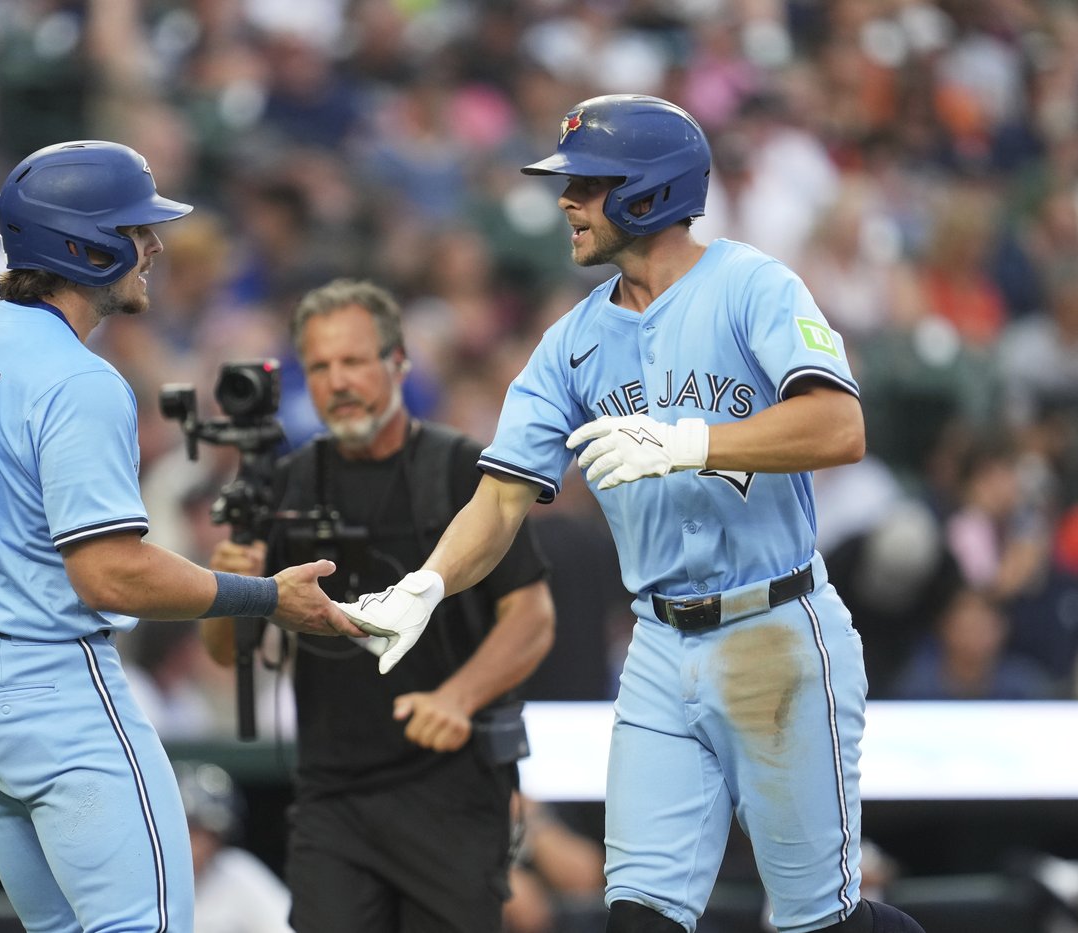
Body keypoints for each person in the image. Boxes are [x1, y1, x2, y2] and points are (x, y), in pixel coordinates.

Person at [337, 97, 926, 933]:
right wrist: (427, 583)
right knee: (639, 917)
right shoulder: (570, 343)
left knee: (818, 922)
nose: (567, 203)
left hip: (777, 628)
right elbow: (501, 496)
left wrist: (693, 441)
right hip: (658, 647)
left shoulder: (751, 284)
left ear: (648, 192)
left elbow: (841, 426)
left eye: (586, 184)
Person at [0, 140, 363, 933]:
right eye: (136, 228)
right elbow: (110, 574)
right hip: (52, 684)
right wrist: (267, 597)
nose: (155, 247)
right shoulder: (78, 379)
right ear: (84, 243)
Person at [205, 278, 555, 933]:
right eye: (320, 366)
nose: (338, 382)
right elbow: (227, 653)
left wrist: (458, 696)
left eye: (354, 361)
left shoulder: (460, 470)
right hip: (331, 796)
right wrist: (239, 590)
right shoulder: (284, 483)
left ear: (398, 362)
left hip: (451, 792)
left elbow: (533, 616)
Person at [173, 759, 295, 933]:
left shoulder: (235, 871)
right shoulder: (140, 881)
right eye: (189, 832)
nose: (197, 847)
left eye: (208, 836)